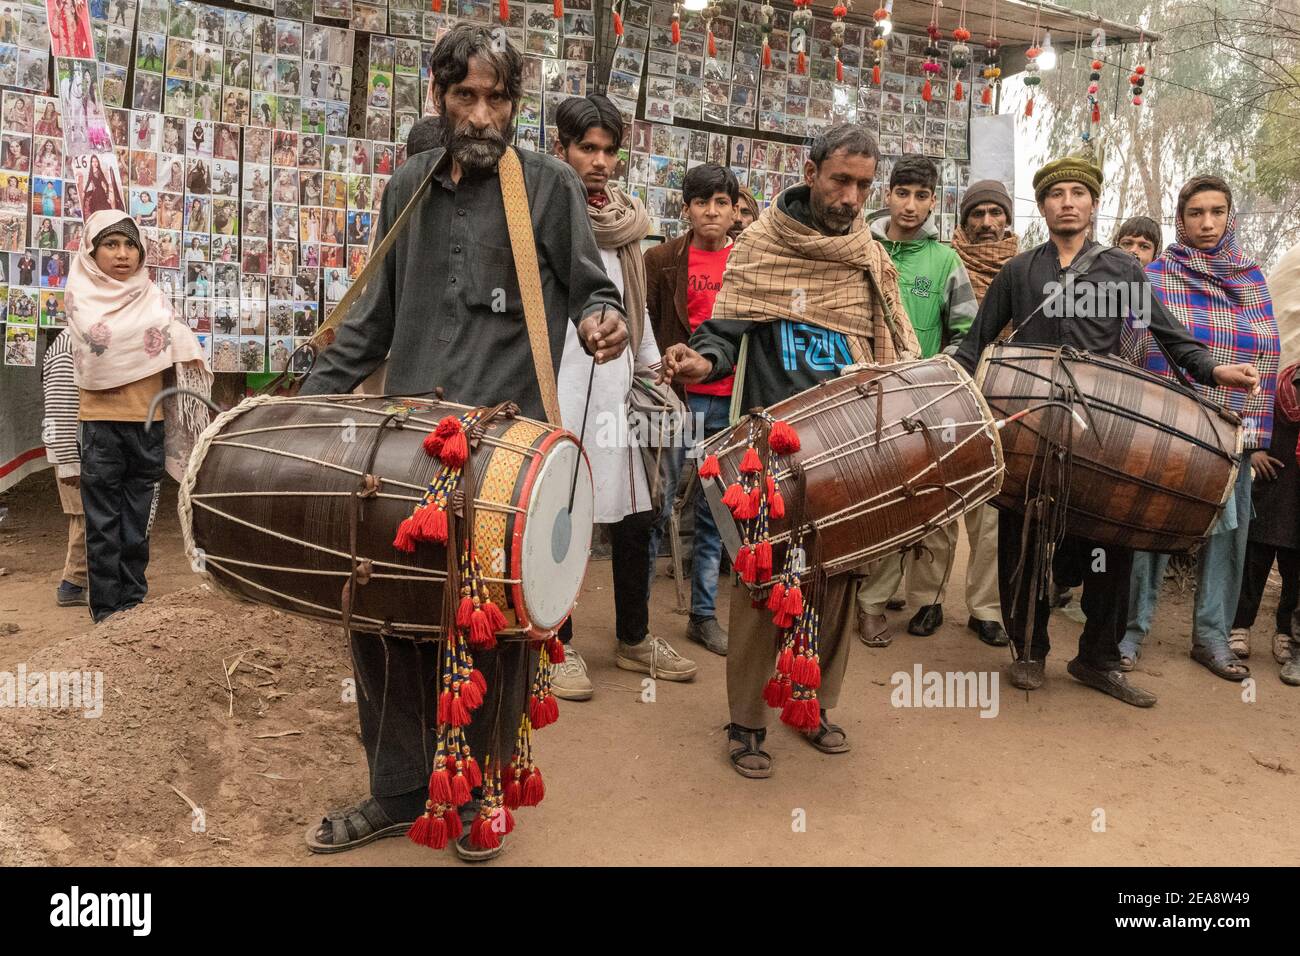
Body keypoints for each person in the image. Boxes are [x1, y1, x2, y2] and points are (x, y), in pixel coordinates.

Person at [296, 24, 627, 860]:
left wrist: (600, 318)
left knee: (489, 631)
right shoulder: (406, 183)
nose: (483, 115)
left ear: (516, 104)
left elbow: (591, 287)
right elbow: (369, 321)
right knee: (381, 618)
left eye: (499, 99)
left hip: (504, 453)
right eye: (466, 97)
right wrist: (301, 410)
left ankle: (478, 795)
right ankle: (399, 791)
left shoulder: (547, 185)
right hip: (406, 448)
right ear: (438, 100)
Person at [658, 124, 921, 777]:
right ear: (812, 171)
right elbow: (724, 330)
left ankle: (814, 706)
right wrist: (699, 359)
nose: (852, 195)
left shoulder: (869, 257)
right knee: (760, 583)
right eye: (841, 179)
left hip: (853, 447)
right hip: (773, 449)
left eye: (864, 185)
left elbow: (893, 344)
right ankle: (747, 722)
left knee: (835, 581)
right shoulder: (764, 249)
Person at [954, 156, 1261, 704]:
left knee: (1109, 542)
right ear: (1043, 206)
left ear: (1093, 203)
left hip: (1100, 426)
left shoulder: (1121, 268)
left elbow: (1168, 336)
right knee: (1022, 536)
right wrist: (945, 382)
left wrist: (1213, 369)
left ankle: (1097, 657)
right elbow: (975, 345)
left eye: (1078, 192)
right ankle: (1028, 650)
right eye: (1055, 194)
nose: (1067, 201)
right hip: (1027, 424)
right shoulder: (1019, 270)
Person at [546, 94, 694, 700]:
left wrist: (654, 367)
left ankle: (634, 640)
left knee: (638, 514)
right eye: (588, 148)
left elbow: (637, 308)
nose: (600, 161)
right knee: (565, 514)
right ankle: (557, 645)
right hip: (560, 382)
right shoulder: (543, 213)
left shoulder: (628, 222)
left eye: (609, 150)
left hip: (623, 385)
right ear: (562, 150)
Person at [1119, 175, 1279, 683]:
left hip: (1234, 432)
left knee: (1228, 536)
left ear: (1230, 216)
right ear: (1180, 220)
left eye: (1217, 211)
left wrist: (1251, 435)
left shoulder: (1252, 279)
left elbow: (1265, 355)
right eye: (1195, 213)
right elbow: (1133, 349)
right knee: (1152, 529)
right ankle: (1131, 631)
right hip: (1169, 428)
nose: (1207, 223)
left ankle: (1211, 637)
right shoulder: (1156, 278)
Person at [856, 155, 981, 644]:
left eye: (922, 196)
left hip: (917, 402)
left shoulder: (946, 260)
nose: (910, 205)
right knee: (858, 497)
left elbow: (966, 331)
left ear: (934, 201)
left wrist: (931, 376)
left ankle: (875, 604)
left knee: (909, 500)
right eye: (902, 193)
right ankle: (848, 595)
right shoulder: (860, 245)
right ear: (886, 194)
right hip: (856, 393)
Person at [66, 212, 213, 625]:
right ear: (92, 251)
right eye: (111, 244)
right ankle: (106, 612)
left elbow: (177, 340)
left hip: (147, 425)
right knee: (102, 522)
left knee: (137, 521)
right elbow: (104, 347)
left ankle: (132, 607)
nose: (123, 254)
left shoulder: (153, 298)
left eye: (131, 245)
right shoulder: (80, 296)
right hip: (100, 426)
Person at [644, 163, 741, 658]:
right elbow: (646, 325)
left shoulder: (748, 263)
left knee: (714, 511)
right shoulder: (661, 259)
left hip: (729, 401)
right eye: (701, 202)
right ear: (685, 209)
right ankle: (634, 625)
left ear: (735, 209)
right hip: (672, 399)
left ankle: (703, 615)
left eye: (721, 202)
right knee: (654, 505)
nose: (711, 211)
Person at [41, 326, 88, 608]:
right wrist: (69, 462)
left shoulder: (80, 338)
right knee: (84, 516)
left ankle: (78, 582)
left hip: (75, 446)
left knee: (87, 516)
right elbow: (59, 405)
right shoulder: (68, 343)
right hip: (71, 448)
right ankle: (72, 584)